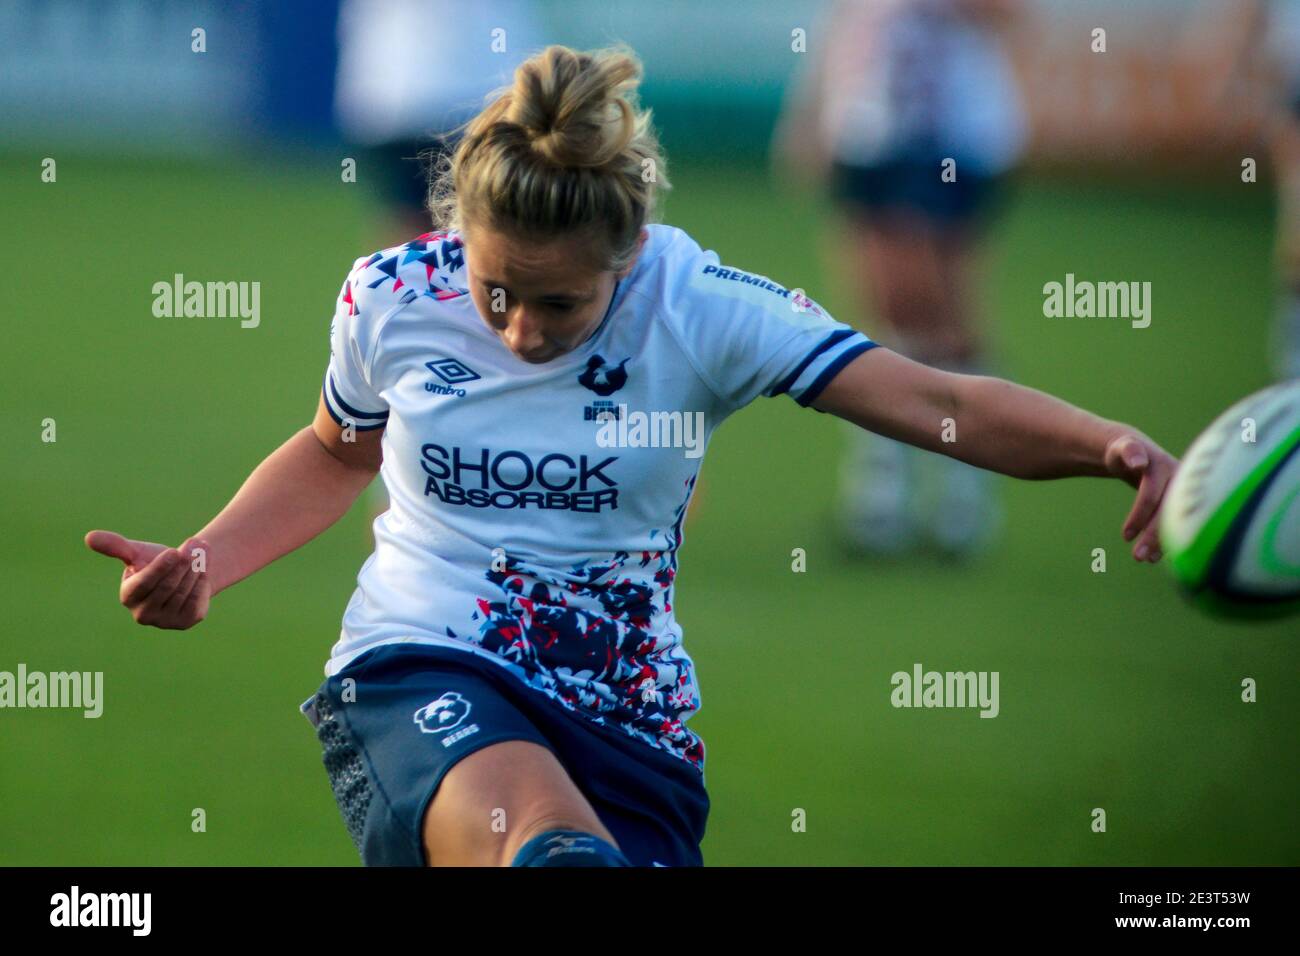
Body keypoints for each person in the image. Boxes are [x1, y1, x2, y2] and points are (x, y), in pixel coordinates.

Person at [85, 44, 1175, 867]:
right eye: (495, 289)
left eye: (559, 302)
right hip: (419, 666)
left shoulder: (697, 307)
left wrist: (1110, 448)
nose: (518, 329)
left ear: (628, 254)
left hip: (628, 711)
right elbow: (335, 452)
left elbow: (935, 399)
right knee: (552, 847)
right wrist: (209, 559)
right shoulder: (394, 296)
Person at [774, 0, 1027, 556]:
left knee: (938, 314)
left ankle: (961, 501)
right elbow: (848, 21)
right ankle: (883, 501)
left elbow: (1011, 14)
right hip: (868, 126)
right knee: (881, 315)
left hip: (945, 131)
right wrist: (810, 111)